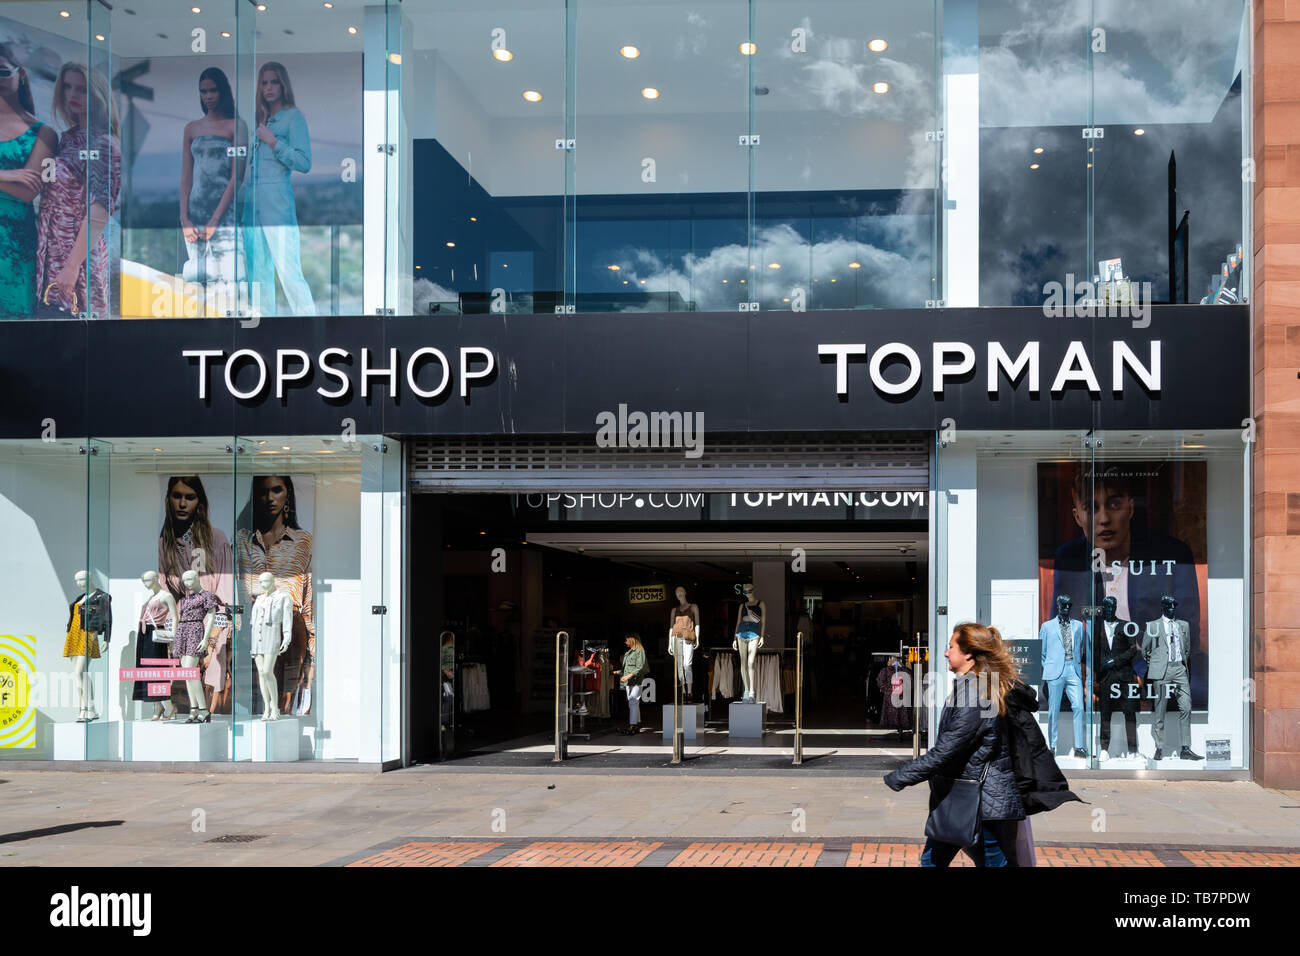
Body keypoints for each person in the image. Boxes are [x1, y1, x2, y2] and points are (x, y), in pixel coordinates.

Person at [884, 622, 1025, 867]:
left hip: (980, 799)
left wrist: (900, 776)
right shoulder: (973, 686)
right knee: (938, 860)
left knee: (940, 861)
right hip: (967, 795)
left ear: (968, 653)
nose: (947, 652)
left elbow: (948, 748)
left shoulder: (976, 692)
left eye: (951, 647)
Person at [34, 62, 120, 319]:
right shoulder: (68, 138)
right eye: (68, 87)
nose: (72, 95)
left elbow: (100, 211)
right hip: (51, 246)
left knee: (76, 339)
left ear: (96, 95)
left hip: (78, 252)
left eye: (82, 89)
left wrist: (71, 267)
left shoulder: (104, 143)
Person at [235, 475, 314, 714]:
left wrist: (313, 649)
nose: (270, 498)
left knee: (286, 694)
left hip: (292, 623)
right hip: (254, 624)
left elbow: (307, 595)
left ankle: (277, 718)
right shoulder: (243, 539)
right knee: (255, 686)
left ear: (287, 494)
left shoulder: (302, 541)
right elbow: (238, 592)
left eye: (276, 490)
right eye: (263, 492)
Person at [244, 61, 315, 316]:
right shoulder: (261, 121)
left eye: (274, 81)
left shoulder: (293, 117)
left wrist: (274, 143)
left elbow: (304, 163)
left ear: (283, 84)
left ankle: (311, 328)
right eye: (264, 83)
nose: (269, 87)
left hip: (277, 202)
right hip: (253, 206)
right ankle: (263, 332)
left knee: (289, 272)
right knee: (258, 274)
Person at [158, 476, 233, 712]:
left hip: (214, 623)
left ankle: (202, 712)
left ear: (198, 502)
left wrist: (215, 635)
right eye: (177, 496)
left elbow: (225, 593)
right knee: (182, 672)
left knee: (212, 671)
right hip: (182, 623)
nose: (182, 503)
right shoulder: (165, 543)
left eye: (189, 497)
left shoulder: (216, 538)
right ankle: (188, 710)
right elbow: (165, 591)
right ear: (168, 499)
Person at [179, 67, 245, 306]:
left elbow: (236, 177)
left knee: (230, 280)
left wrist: (215, 219)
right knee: (198, 282)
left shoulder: (235, 126)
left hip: (224, 215)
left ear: (223, 91)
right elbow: (186, 176)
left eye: (213, 90)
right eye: (203, 91)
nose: (208, 96)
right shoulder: (191, 128)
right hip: (195, 215)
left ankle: (234, 333)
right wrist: (184, 218)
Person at [0, 43, 57, 318]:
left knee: (14, 325)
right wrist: (6, 175)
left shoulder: (44, 133)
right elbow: (17, 183)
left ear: (20, 74)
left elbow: (27, 191)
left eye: (2, 72)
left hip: (16, 244)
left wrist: (16, 180)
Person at [613, 632, 648, 736]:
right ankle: (636, 725)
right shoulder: (629, 653)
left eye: (626, 640)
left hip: (636, 681)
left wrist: (628, 676)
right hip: (629, 682)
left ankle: (632, 725)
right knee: (633, 703)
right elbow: (626, 669)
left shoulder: (640, 651)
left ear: (632, 640)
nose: (625, 642)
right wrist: (616, 672)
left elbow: (640, 667)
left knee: (633, 701)